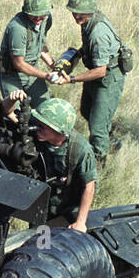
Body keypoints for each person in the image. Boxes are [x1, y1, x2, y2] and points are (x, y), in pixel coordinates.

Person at [49, 0, 127, 164]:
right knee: (86, 110)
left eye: (81, 14)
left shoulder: (98, 34)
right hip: (96, 73)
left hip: (108, 80)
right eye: (74, 12)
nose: (76, 17)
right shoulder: (88, 22)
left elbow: (101, 70)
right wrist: (74, 55)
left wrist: (71, 79)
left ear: (90, 11)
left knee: (97, 127)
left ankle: (98, 165)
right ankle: (111, 141)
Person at [31, 99, 97, 233]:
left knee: (61, 243)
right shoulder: (38, 134)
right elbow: (11, 116)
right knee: (39, 241)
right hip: (42, 203)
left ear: (60, 132)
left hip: (68, 207)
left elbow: (89, 186)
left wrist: (80, 222)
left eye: (43, 126)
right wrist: (11, 100)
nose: (37, 128)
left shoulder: (80, 149)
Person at [0, 0, 55, 104]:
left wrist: (53, 65)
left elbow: (40, 44)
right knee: (16, 114)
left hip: (32, 72)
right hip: (12, 75)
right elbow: (19, 64)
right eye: (34, 15)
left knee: (45, 108)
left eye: (41, 15)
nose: (38, 19)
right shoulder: (18, 28)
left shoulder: (46, 20)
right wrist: (46, 76)